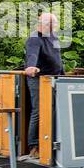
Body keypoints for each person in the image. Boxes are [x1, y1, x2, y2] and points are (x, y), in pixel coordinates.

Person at [23, 11, 65, 159]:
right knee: (38, 111)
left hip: (54, 78)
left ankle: (52, 142)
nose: (53, 27)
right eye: (50, 24)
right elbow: (32, 54)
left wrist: (63, 76)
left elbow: (57, 58)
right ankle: (33, 148)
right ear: (41, 24)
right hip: (38, 79)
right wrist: (31, 67)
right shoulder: (34, 39)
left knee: (54, 110)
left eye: (55, 24)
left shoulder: (53, 36)